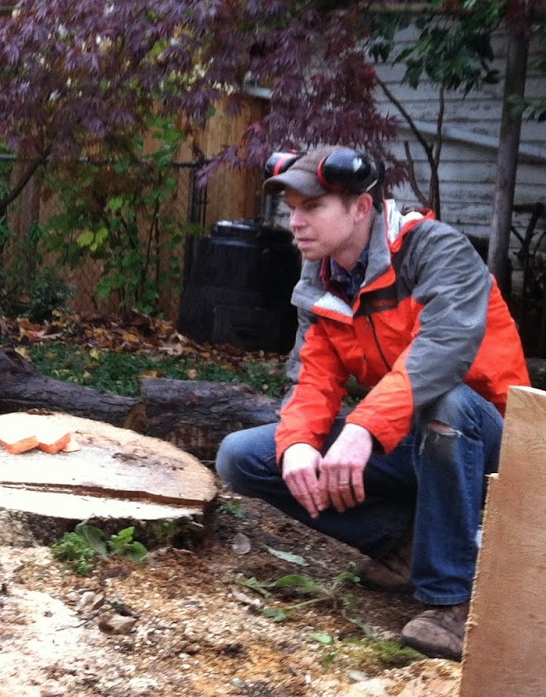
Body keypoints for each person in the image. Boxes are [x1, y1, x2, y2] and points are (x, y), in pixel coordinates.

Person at [215, 145, 529, 661]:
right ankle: (404, 546)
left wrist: (362, 428)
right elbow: (313, 375)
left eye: (311, 207)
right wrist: (296, 444)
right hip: (411, 437)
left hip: (496, 448)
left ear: (361, 208)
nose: (295, 222)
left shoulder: (436, 250)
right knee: (244, 456)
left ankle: (450, 601)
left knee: (445, 403)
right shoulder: (321, 280)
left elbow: (443, 350)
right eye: (291, 208)